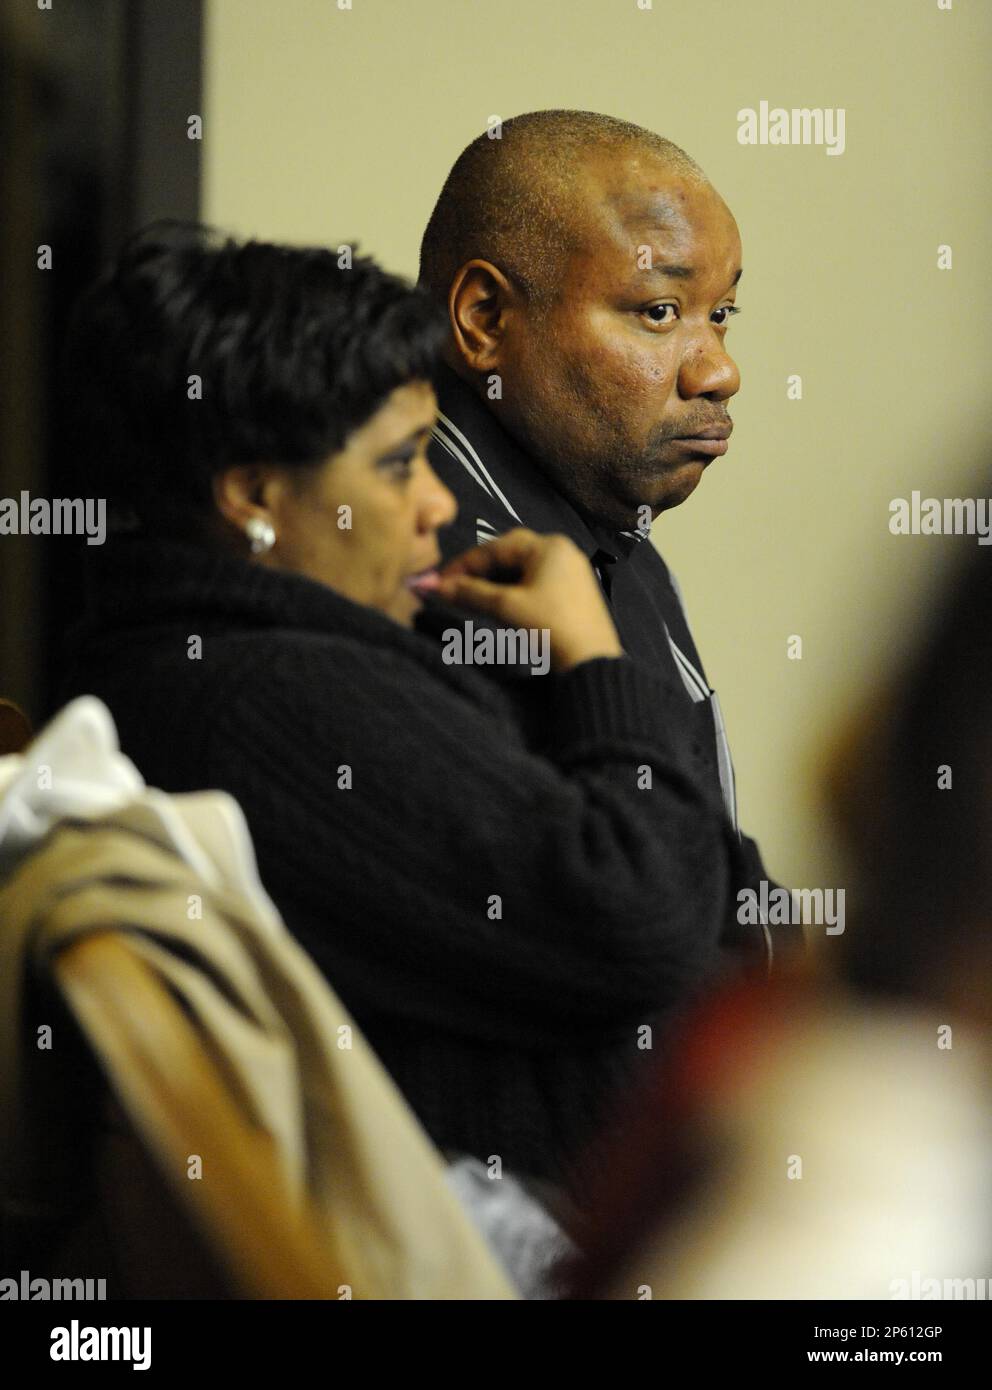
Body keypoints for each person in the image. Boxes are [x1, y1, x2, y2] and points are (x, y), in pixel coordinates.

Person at [58, 223, 764, 1215]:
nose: (437, 505)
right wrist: (594, 660)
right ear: (255, 498)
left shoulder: (258, 655)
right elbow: (635, 920)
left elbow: (696, 893)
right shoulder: (267, 699)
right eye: (397, 468)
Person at [417, 109, 798, 960]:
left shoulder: (614, 540)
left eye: (723, 312)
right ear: (484, 318)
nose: (719, 370)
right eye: (660, 311)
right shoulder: (433, 561)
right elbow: (611, 933)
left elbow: (721, 885)